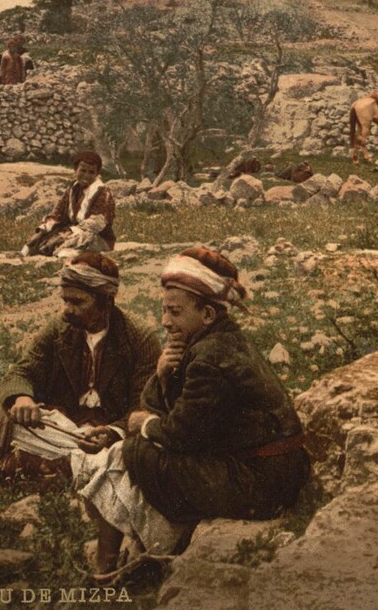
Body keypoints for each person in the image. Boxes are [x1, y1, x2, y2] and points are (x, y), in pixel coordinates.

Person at [70, 246, 310, 579]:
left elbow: (180, 434)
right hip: (269, 472)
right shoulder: (214, 341)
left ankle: (134, 557)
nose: (166, 322)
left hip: (258, 482)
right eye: (164, 311)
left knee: (134, 450)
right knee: (136, 450)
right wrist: (163, 375)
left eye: (176, 312)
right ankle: (118, 560)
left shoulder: (209, 357)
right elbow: (175, 413)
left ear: (208, 314)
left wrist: (144, 425)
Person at [0, 253, 160, 482]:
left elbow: (143, 407)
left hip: (108, 435)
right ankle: (77, 468)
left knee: (136, 450)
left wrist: (111, 433)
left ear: (106, 302)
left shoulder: (139, 338)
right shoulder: (59, 329)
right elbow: (22, 372)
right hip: (64, 427)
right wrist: (22, 398)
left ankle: (55, 467)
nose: (67, 310)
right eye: (66, 301)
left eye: (78, 302)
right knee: (3, 415)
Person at [23, 151, 115, 257]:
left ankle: (72, 254)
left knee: (63, 244)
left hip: (96, 237)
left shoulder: (102, 192)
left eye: (91, 172)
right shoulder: (72, 189)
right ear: (75, 170)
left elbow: (96, 223)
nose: (86, 175)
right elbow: (58, 213)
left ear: (97, 173)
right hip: (74, 231)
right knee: (41, 239)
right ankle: (24, 253)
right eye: (83, 170)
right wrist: (44, 229)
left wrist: (68, 233)